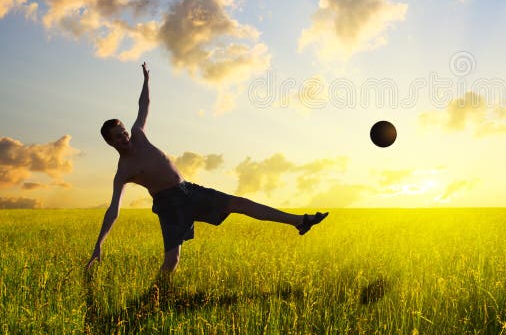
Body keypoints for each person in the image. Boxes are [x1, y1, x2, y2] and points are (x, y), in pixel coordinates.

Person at [85, 63, 328, 275]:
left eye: (124, 132)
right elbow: (113, 210)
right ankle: (152, 303)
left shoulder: (138, 135)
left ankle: (299, 221)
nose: (124, 138)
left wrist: (146, 80)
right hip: (169, 207)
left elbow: (144, 105)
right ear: (110, 142)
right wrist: (99, 245)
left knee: (240, 204)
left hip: (189, 191)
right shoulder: (124, 170)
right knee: (172, 261)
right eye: (118, 137)